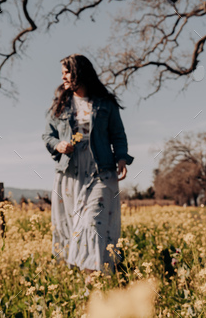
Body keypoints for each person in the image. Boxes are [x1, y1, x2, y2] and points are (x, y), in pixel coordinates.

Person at [41, 54, 134, 275]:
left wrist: (121, 157)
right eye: (62, 72)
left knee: (93, 221)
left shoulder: (105, 104)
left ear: (80, 73)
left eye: (67, 72)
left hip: (101, 169)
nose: (63, 77)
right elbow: (47, 136)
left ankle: (95, 276)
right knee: (74, 226)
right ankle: (88, 280)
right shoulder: (60, 105)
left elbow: (118, 135)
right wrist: (59, 145)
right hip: (70, 172)